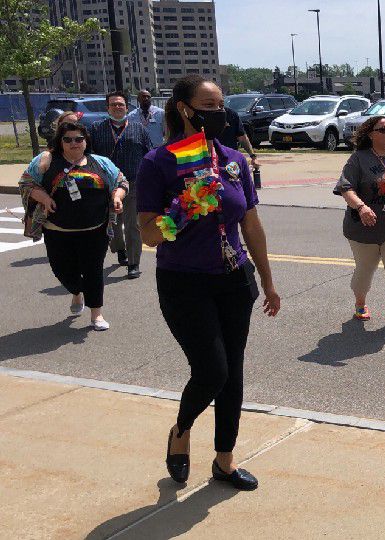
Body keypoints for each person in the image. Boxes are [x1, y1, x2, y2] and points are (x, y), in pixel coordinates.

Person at [137, 75, 281, 491]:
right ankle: (181, 430)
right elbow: (148, 235)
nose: (219, 113)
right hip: (184, 283)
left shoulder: (233, 160)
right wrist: (184, 206)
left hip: (234, 279)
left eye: (221, 105)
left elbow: (251, 224)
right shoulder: (158, 163)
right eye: (208, 106)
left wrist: (268, 279)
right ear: (184, 109)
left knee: (232, 373)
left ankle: (224, 460)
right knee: (211, 371)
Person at [18, 122, 127, 330]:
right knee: (62, 271)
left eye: (78, 139)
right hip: (57, 231)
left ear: (86, 141)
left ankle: (96, 314)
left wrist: (117, 198)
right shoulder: (46, 162)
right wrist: (44, 198)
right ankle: (76, 291)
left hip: (95, 231)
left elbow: (121, 182)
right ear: (60, 142)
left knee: (93, 271)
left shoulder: (101, 162)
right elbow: (26, 183)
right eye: (68, 139)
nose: (74, 143)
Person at [334, 115, 385, 337]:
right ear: (371, 134)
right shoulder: (358, 159)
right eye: (383, 129)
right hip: (364, 229)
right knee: (365, 269)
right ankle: (360, 303)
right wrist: (361, 207)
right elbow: (345, 188)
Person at [90, 91, 153, 279]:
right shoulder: (97, 128)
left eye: (121, 104)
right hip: (107, 185)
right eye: (113, 104)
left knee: (133, 224)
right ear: (107, 108)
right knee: (114, 223)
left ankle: (134, 263)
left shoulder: (138, 128)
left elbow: (149, 154)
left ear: (127, 107)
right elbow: (90, 156)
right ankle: (120, 248)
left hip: (133, 183)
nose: (117, 107)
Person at [216, 106, 260, 171]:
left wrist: (253, 157)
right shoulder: (204, 115)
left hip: (230, 159)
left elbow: (242, 137)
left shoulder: (231, 114)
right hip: (209, 159)